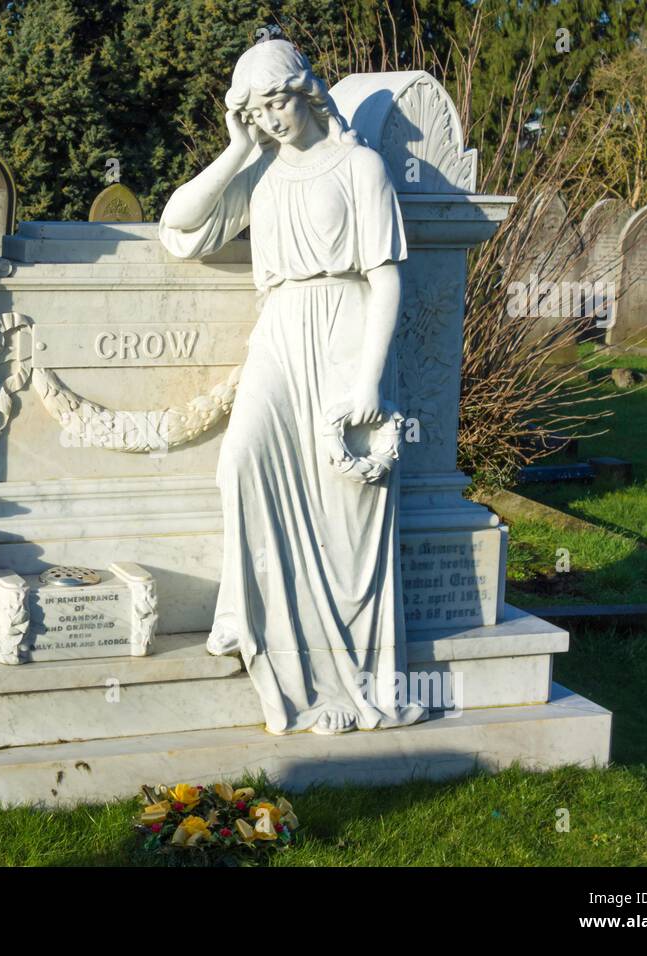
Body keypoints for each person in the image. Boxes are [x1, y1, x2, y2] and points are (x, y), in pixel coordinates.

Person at [159, 39, 427, 735]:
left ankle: (342, 674)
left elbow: (388, 277)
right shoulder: (263, 173)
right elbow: (178, 225)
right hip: (281, 328)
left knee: (346, 512)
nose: (272, 118)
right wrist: (236, 149)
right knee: (239, 461)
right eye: (256, 109)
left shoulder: (360, 166)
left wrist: (369, 375)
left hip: (345, 331)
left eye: (277, 100)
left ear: (306, 90)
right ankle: (249, 616)